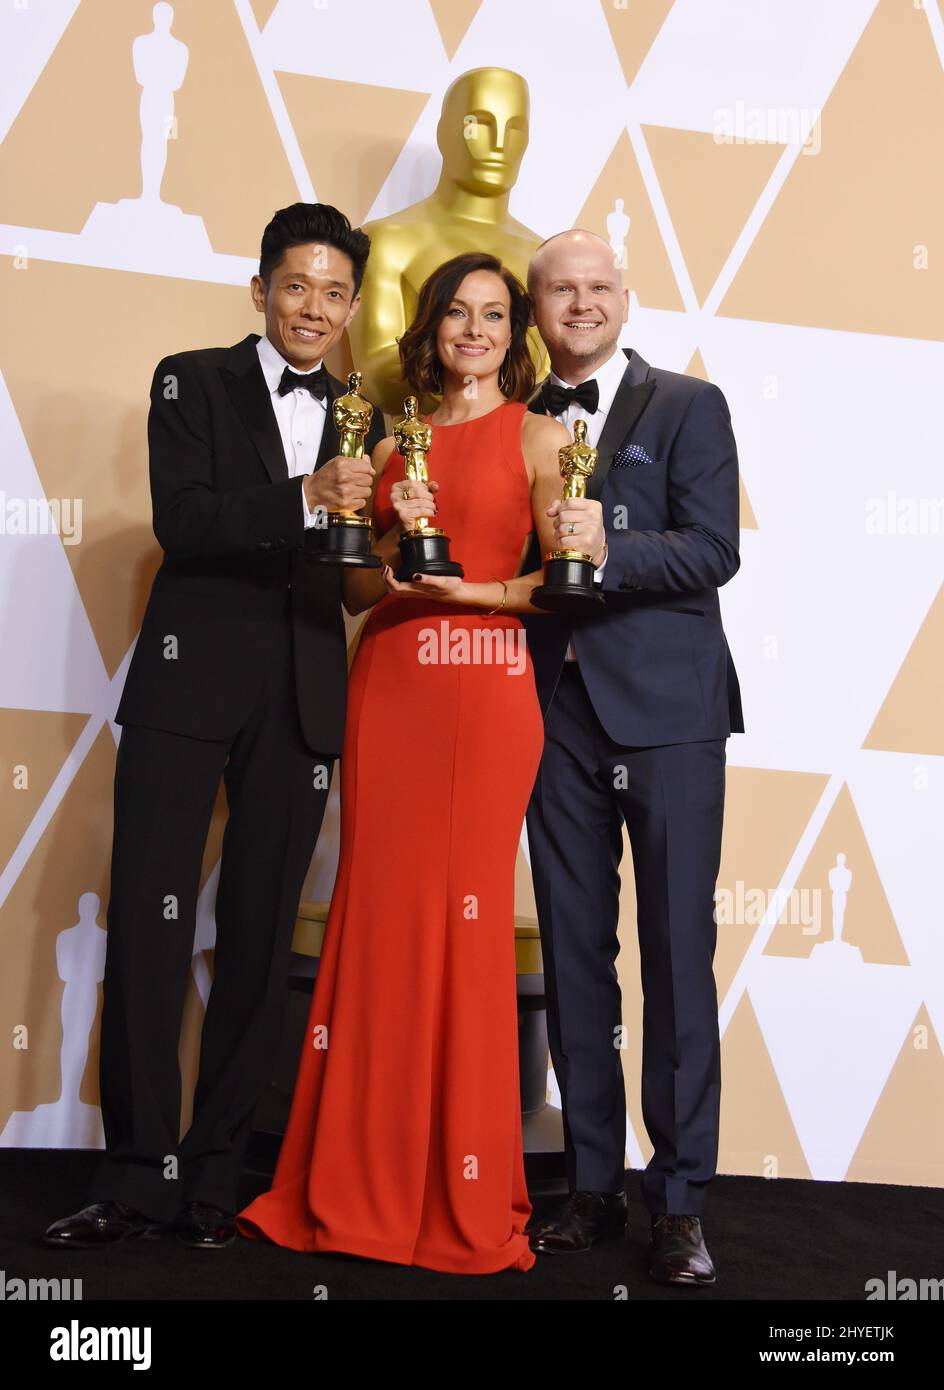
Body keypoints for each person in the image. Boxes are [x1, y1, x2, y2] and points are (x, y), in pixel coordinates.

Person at [44, 203, 385, 1251]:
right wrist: (304, 492)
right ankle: (133, 1174)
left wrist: (393, 531)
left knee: (255, 940)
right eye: (296, 287)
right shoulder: (187, 377)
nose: (313, 309)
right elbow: (182, 523)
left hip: (299, 691)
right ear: (260, 289)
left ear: (351, 305)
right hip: (187, 689)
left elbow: (357, 581)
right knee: (148, 931)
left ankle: (219, 1183)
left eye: (334, 293)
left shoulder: (367, 416)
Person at [236, 251, 584, 1275]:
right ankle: (353, 1180)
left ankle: (458, 1189)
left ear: (511, 331)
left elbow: (557, 586)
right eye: (454, 315)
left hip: (485, 695)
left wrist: (464, 595)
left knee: (463, 923)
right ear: (430, 329)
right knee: (377, 916)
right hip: (391, 690)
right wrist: (389, 553)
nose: (471, 331)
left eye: (491, 315)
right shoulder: (393, 441)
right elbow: (355, 595)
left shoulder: (544, 437)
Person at [521, 229, 744, 1286]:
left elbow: (714, 548)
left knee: (672, 957)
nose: (580, 302)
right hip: (552, 711)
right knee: (572, 954)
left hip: (668, 715)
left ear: (626, 298)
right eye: (559, 289)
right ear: (535, 307)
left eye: (597, 286)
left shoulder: (688, 404)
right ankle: (590, 1185)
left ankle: (681, 1201)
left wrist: (605, 542)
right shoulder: (513, 420)